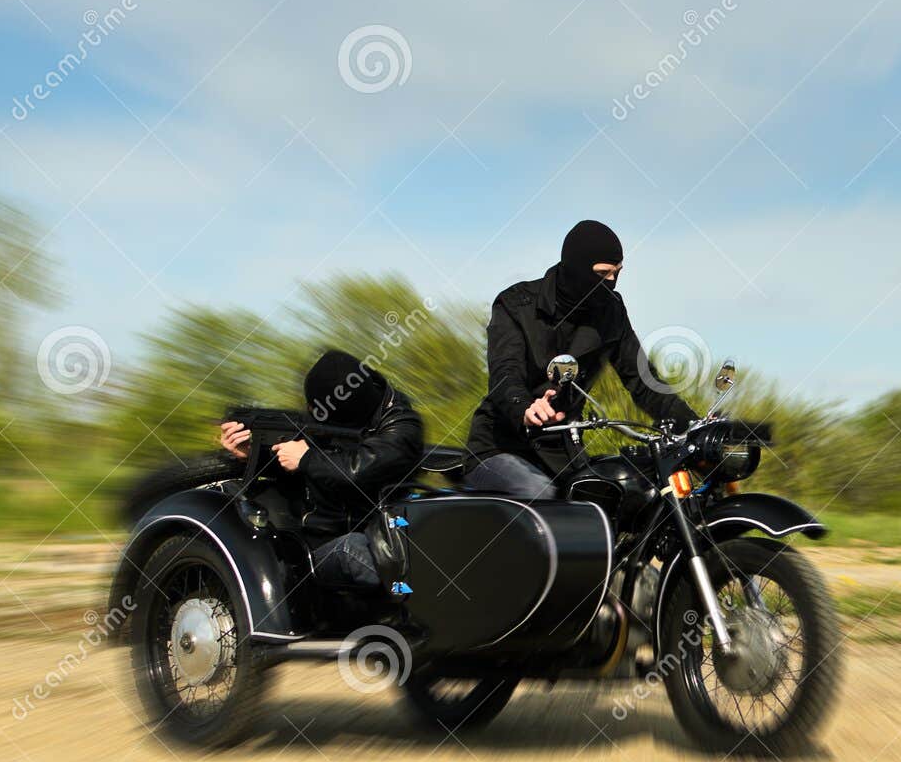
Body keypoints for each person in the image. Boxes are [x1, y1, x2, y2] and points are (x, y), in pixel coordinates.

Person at [464, 219, 698, 498]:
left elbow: (643, 381)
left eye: (617, 273)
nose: (611, 281)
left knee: (630, 492)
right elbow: (505, 373)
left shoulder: (611, 312)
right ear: (576, 268)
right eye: (602, 273)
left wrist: (695, 427)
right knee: (539, 492)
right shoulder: (516, 304)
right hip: (500, 449)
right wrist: (524, 406)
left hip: (563, 453)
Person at [218, 349, 423, 588]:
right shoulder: (339, 417)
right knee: (349, 549)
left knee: (355, 550)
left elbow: (358, 469)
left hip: (377, 539)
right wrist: (250, 454)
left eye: (319, 413)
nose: (314, 416)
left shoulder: (401, 427)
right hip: (315, 544)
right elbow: (293, 465)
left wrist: (307, 459)